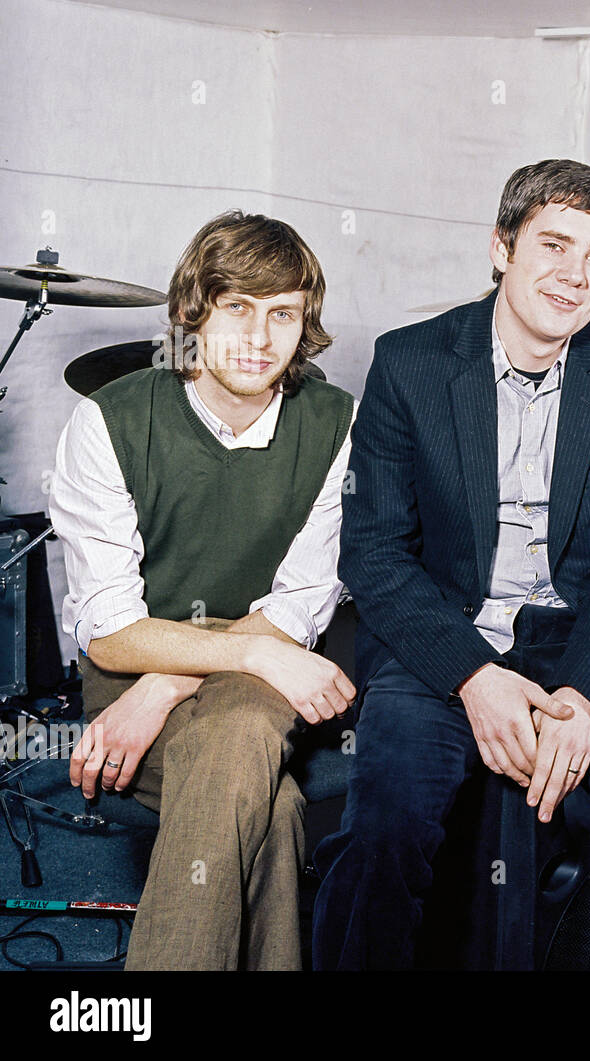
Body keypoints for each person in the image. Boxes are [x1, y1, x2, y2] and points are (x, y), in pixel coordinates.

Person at [311, 158, 590, 970]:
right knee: (381, 834)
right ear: (503, 246)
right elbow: (372, 552)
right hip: (444, 634)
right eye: (554, 245)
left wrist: (584, 695)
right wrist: (473, 676)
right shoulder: (411, 363)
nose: (574, 276)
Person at [48, 210, 357, 970]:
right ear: (194, 313)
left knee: (240, 731)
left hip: (255, 668)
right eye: (237, 308)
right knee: (272, 803)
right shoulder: (106, 422)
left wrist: (168, 684)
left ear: (304, 324)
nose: (260, 336)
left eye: (282, 312)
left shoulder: (336, 423)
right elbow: (112, 629)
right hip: (130, 681)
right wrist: (159, 680)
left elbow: (301, 602)